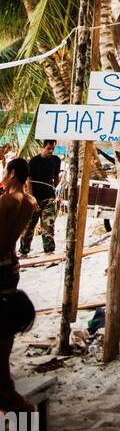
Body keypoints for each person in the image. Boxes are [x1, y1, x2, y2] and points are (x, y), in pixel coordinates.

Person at [0, 158, 37, 411]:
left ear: (12, 173)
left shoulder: (6, 202)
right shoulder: (30, 203)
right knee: (6, 328)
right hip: (11, 266)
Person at [18, 139, 61, 257]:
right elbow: (29, 181)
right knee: (29, 226)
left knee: (48, 226)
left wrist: (57, 192)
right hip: (35, 197)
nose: (51, 151)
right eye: (48, 149)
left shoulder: (56, 160)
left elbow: (56, 177)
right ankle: (23, 251)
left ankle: (49, 251)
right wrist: (32, 198)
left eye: (52, 149)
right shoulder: (34, 161)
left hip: (49, 198)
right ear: (43, 147)